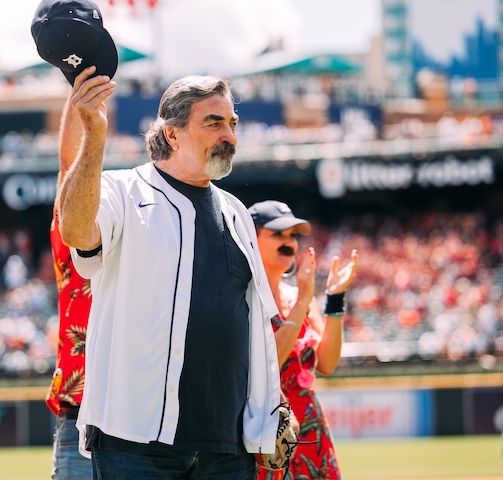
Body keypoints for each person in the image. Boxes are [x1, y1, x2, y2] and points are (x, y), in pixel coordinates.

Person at [57, 68, 284, 480]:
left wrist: (271, 408)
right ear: (173, 134)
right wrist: (94, 136)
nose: (229, 136)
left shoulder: (236, 212)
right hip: (137, 443)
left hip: (228, 445)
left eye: (232, 123)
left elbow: (254, 327)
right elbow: (74, 230)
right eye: (213, 123)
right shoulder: (122, 191)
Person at [249, 200, 358, 480]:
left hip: (310, 429)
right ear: (251, 236)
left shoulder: (300, 296)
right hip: (265, 434)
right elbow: (266, 363)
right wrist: (302, 303)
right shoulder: (244, 297)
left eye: (293, 236)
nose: (288, 242)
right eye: (277, 234)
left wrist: (333, 299)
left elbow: (327, 363)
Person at [46, 91, 94, 479]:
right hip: (80, 415)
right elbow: (68, 166)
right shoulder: (75, 253)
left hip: (145, 424)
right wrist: (81, 83)